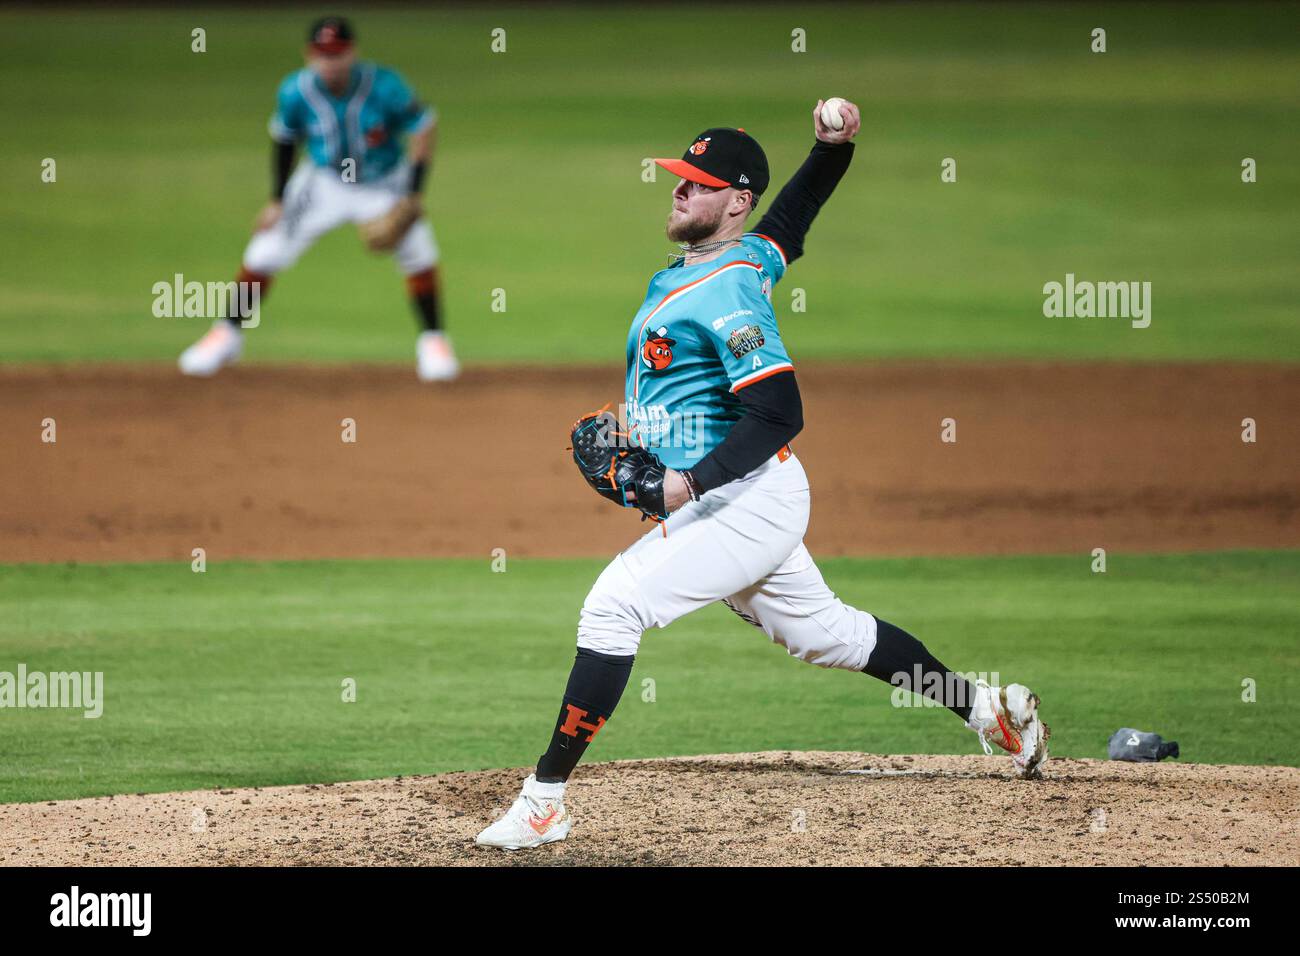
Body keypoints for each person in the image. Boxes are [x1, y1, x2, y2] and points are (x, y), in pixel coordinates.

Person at [475, 100, 1048, 851]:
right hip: (744, 495)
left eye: (700, 184)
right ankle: (987, 709)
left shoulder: (732, 292)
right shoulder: (738, 260)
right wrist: (830, 149)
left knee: (613, 608)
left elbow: (779, 412)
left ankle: (544, 802)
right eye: (680, 179)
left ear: (735, 201)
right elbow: (793, 222)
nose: (680, 191)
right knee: (829, 634)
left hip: (746, 499)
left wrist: (684, 485)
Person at [178, 16, 458, 381]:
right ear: (309, 55)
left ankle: (433, 341)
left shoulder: (385, 86)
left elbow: (425, 126)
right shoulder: (295, 91)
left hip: (382, 181)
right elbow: (284, 140)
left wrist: (414, 192)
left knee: (419, 252)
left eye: (338, 53)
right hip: (324, 182)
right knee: (265, 250)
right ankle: (226, 333)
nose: (331, 62)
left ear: (352, 53)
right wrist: (277, 199)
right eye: (323, 54)